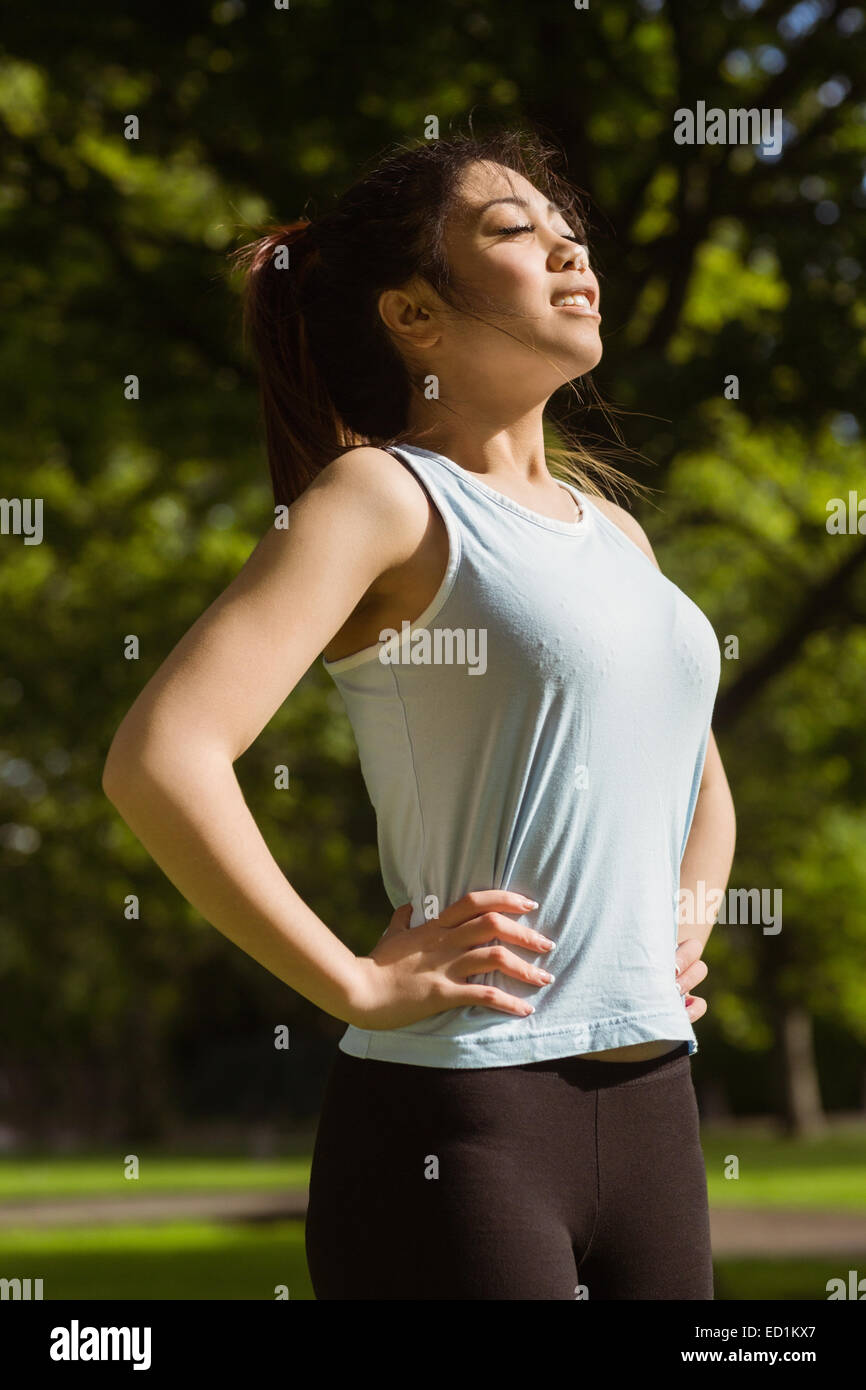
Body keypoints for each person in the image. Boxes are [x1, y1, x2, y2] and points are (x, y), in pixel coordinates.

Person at [102, 128, 736, 1300]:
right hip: (463, 1113)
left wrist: (681, 921)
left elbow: (693, 773)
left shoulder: (618, 533)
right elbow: (161, 755)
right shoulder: (379, 498)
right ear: (414, 316)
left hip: (655, 1107)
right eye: (511, 231)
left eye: (569, 231)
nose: (567, 251)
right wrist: (352, 980)